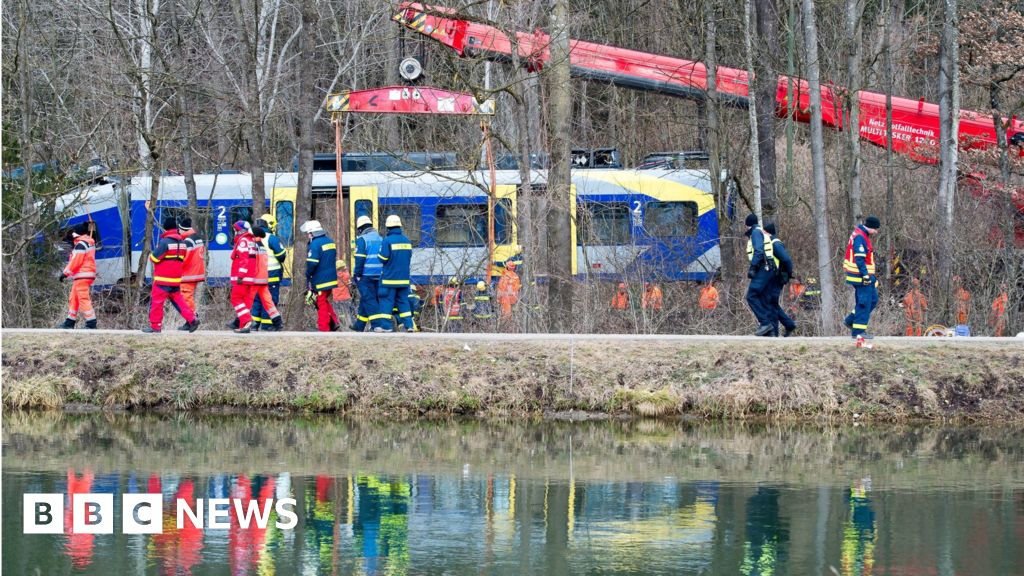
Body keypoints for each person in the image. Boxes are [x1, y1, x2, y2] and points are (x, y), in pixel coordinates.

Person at [144, 216, 200, 333]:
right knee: (180, 302)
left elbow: (154, 258)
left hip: (162, 280)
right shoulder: (183, 243)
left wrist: (152, 253)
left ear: (166, 228)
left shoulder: (165, 242)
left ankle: (155, 326)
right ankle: (192, 319)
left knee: (157, 303)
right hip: (176, 280)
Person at [843, 215, 881, 341]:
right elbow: (859, 259)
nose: (876, 232)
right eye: (875, 229)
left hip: (865, 275)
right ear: (870, 227)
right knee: (864, 303)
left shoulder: (862, 234)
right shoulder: (860, 237)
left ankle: (850, 320)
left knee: (873, 300)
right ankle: (858, 332)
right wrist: (865, 276)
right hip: (861, 276)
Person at [376, 214, 415, 332]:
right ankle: (409, 325)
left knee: (386, 302)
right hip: (404, 279)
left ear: (388, 227)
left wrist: (379, 253)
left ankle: (386, 326)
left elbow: (383, 258)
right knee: (403, 302)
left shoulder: (387, 240)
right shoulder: (407, 241)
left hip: (389, 279)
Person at [301, 219, 340, 332]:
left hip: (320, 280)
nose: (308, 235)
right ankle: (334, 322)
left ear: (312, 233)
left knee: (320, 303)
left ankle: (324, 328)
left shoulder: (315, 244)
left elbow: (312, 263)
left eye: (308, 233)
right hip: (331, 279)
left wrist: (308, 274)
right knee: (324, 301)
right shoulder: (330, 241)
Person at [250, 214, 286, 330]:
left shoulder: (251, 238)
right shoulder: (272, 238)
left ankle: (254, 324)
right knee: (269, 300)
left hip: (256, 275)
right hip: (271, 275)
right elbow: (281, 256)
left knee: (257, 300)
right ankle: (267, 325)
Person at [60, 223, 98, 329]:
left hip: (82, 275)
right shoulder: (88, 243)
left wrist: (65, 273)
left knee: (83, 299)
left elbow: (76, 261)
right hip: (86, 275)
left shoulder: (81, 245)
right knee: (74, 298)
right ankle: (69, 321)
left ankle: (91, 323)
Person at [744, 213, 776, 336]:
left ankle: (765, 324)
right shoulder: (760, 231)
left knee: (751, 296)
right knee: (763, 298)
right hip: (768, 268)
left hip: (763, 268)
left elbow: (758, 251)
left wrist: (753, 267)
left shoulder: (755, 233)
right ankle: (770, 331)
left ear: (748, 225)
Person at [352, 215, 386, 332]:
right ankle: (359, 325)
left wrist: (357, 274)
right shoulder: (381, 239)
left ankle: (377, 325)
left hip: (366, 275)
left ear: (360, 228)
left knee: (369, 299)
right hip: (380, 275)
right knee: (366, 299)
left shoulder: (362, 240)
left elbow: (360, 258)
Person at [763, 222, 796, 337]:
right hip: (774, 278)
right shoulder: (772, 243)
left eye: (763, 232)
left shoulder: (775, 244)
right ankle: (789, 325)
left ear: (767, 233)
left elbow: (786, 260)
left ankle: (774, 333)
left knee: (771, 303)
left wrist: (788, 274)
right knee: (772, 303)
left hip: (776, 278)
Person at [227, 220, 259, 333]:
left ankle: (247, 320)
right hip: (250, 277)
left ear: (240, 231)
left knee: (235, 298)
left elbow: (244, 260)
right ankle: (244, 326)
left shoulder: (243, 241)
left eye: (235, 230)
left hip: (242, 277)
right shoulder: (251, 241)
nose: (234, 232)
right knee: (244, 301)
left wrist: (240, 275)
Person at [178, 216, 206, 330]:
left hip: (189, 274)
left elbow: (184, 259)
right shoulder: (197, 238)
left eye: (179, 229)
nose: (178, 231)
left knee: (186, 297)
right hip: (197, 272)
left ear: (183, 229)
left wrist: (176, 266)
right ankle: (190, 319)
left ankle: (192, 319)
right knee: (188, 297)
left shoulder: (188, 241)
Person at [333, 260, 355, 326]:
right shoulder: (346, 275)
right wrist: (345, 270)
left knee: (338, 313)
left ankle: (340, 325)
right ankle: (349, 324)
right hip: (346, 297)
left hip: (336, 298)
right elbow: (348, 276)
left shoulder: (333, 276)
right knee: (348, 312)